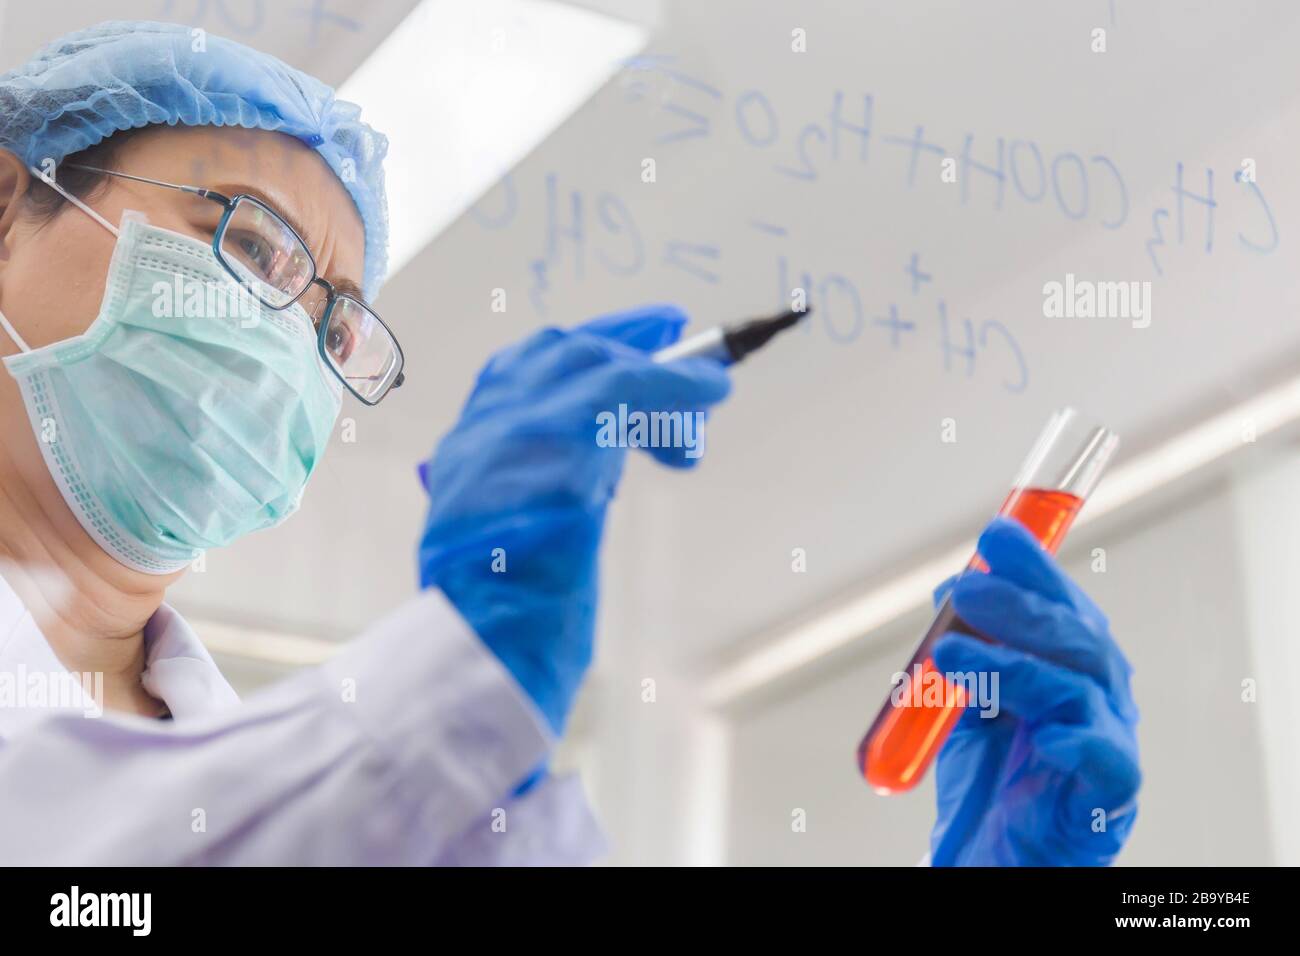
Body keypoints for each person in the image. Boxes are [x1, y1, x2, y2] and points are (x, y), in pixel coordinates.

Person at [0, 21, 1138, 866]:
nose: (290, 340)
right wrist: (461, 671)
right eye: (251, 243)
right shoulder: (322, 777)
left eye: (333, 320)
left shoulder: (286, 775)